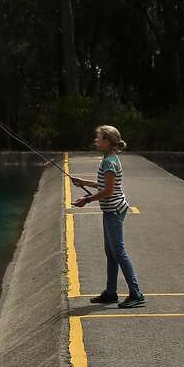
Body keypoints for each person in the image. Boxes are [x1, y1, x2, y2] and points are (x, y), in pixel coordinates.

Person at [70, 125, 145, 308]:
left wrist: (87, 200)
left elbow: (109, 191)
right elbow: (104, 184)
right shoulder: (108, 159)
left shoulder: (109, 162)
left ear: (107, 142)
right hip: (111, 210)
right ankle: (111, 293)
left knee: (118, 252)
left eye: (99, 138)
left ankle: (136, 294)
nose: (96, 141)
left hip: (114, 211)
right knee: (111, 253)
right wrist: (84, 182)